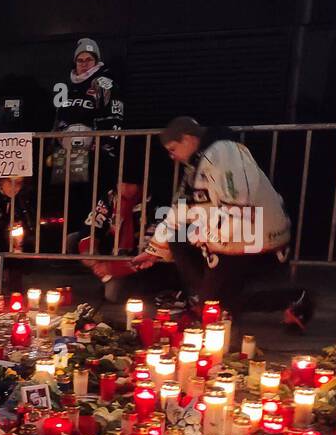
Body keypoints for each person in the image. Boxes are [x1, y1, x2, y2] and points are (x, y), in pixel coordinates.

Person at [132, 116, 311, 327]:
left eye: (173, 149)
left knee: (217, 304)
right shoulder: (199, 163)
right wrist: (155, 249)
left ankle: (294, 299)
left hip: (251, 234)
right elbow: (181, 208)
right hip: (232, 235)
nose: (172, 156)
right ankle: (207, 299)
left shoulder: (224, 153)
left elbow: (238, 204)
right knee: (178, 240)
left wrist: (204, 237)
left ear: (188, 139)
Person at [54, 38, 142, 253]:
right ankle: (71, 247)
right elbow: (58, 119)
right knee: (70, 200)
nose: (84, 64)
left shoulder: (104, 82)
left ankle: (91, 246)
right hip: (68, 153)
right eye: (80, 60)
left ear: (97, 61)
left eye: (89, 59)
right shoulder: (66, 87)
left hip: (96, 154)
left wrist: (104, 145)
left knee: (93, 199)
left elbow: (114, 118)